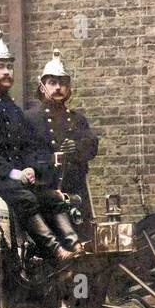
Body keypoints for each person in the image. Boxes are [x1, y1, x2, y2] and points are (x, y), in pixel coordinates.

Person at [0, 30, 79, 263]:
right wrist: (14, 172)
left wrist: (32, 168)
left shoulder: (15, 110)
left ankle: (74, 245)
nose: (6, 72)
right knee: (25, 198)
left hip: (16, 181)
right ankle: (55, 249)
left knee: (52, 197)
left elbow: (29, 147)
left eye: (9, 67)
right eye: (0, 66)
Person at [27, 49, 100, 219]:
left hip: (75, 189)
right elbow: (24, 154)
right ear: (42, 87)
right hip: (44, 190)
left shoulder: (77, 119)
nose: (58, 88)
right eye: (52, 83)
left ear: (68, 89)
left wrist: (76, 148)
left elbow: (92, 145)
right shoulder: (30, 118)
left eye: (62, 83)